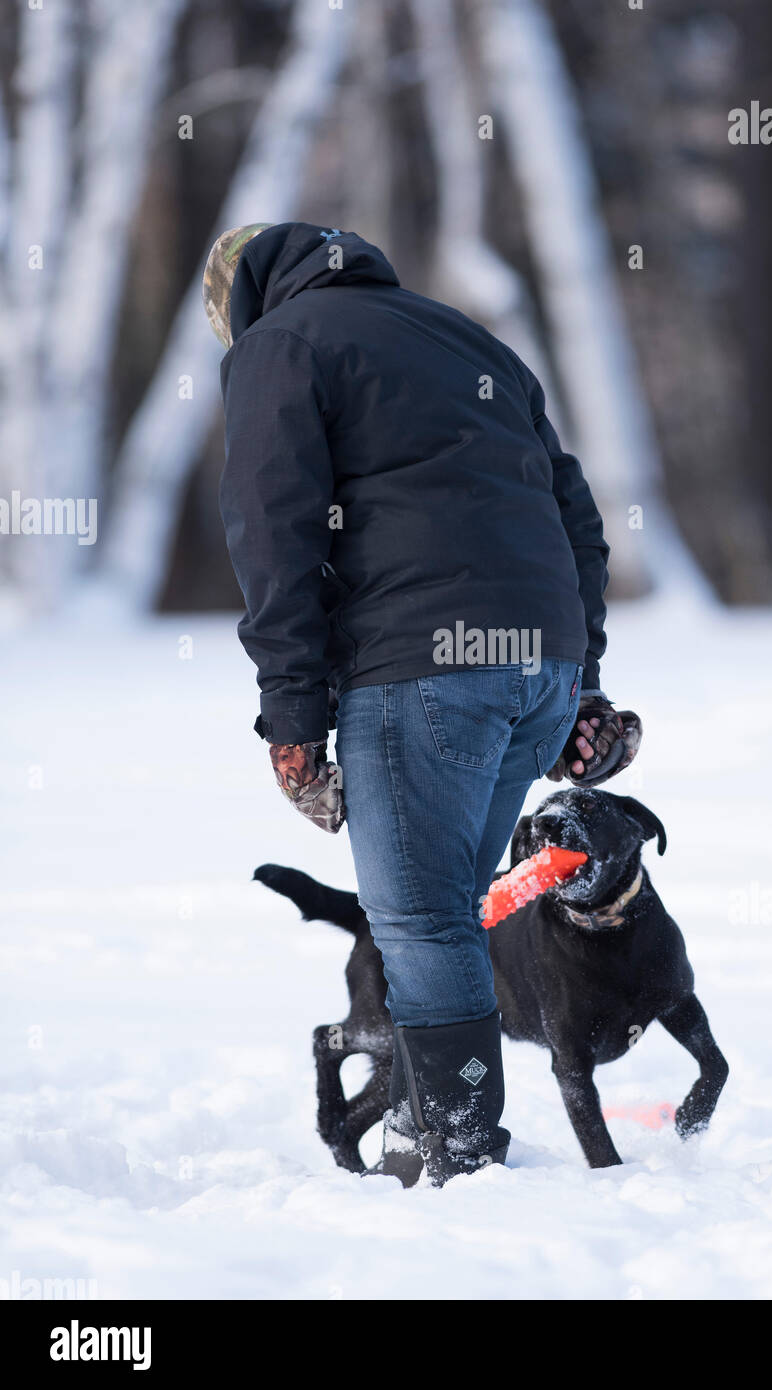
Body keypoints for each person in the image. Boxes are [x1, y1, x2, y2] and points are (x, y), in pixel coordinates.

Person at [205, 222, 641, 1186]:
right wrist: (581, 680)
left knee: (423, 921)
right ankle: (432, 1125)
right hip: (536, 666)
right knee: (449, 908)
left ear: (242, 300)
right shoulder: (469, 339)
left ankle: (453, 1150)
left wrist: (291, 722)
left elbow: (271, 535)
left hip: (421, 668)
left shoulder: (280, 346)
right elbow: (576, 520)